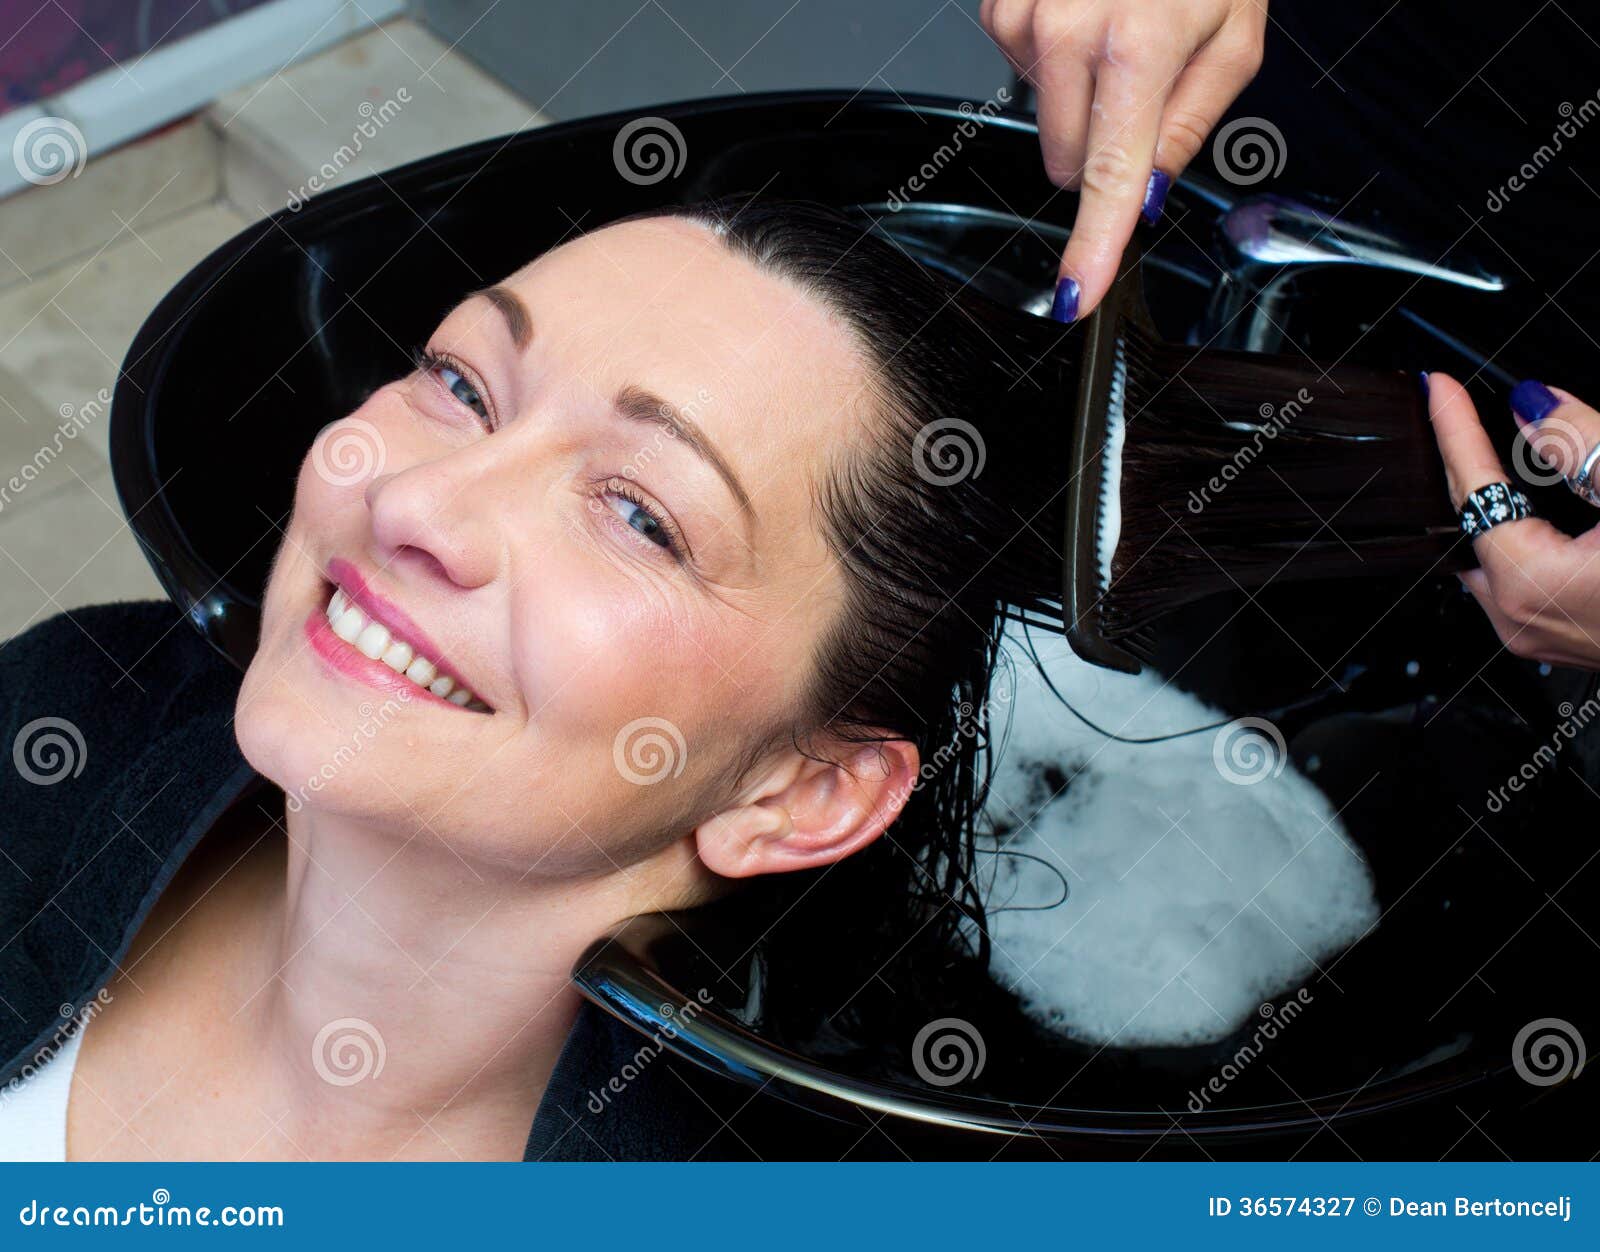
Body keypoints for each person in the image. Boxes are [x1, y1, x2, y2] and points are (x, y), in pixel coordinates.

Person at [0, 199, 1073, 1161]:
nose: (418, 506)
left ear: (801, 793)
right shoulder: (81, 705)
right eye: (462, 384)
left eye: (640, 515)